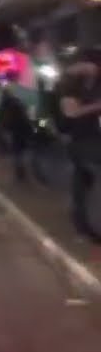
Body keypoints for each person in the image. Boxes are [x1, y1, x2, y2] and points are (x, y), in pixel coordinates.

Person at [57, 52, 101, 243]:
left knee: (83, 183)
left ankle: (83, 226)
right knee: (84, 182)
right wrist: (98, 106)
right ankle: (83, 226)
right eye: (92, 66)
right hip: (79, 140)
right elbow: (72, 112)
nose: (95, 70)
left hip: (91, 137)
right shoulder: (68, 84)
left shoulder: (92, 81)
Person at [0, 76, 39, 184]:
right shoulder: (15, 102)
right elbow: (23, 116)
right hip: (18, 129)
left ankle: (21, 172)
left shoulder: (6, 103)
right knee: (21, 151)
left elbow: (1, 118)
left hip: (14, 130)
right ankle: (24, 172)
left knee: (18, 151)